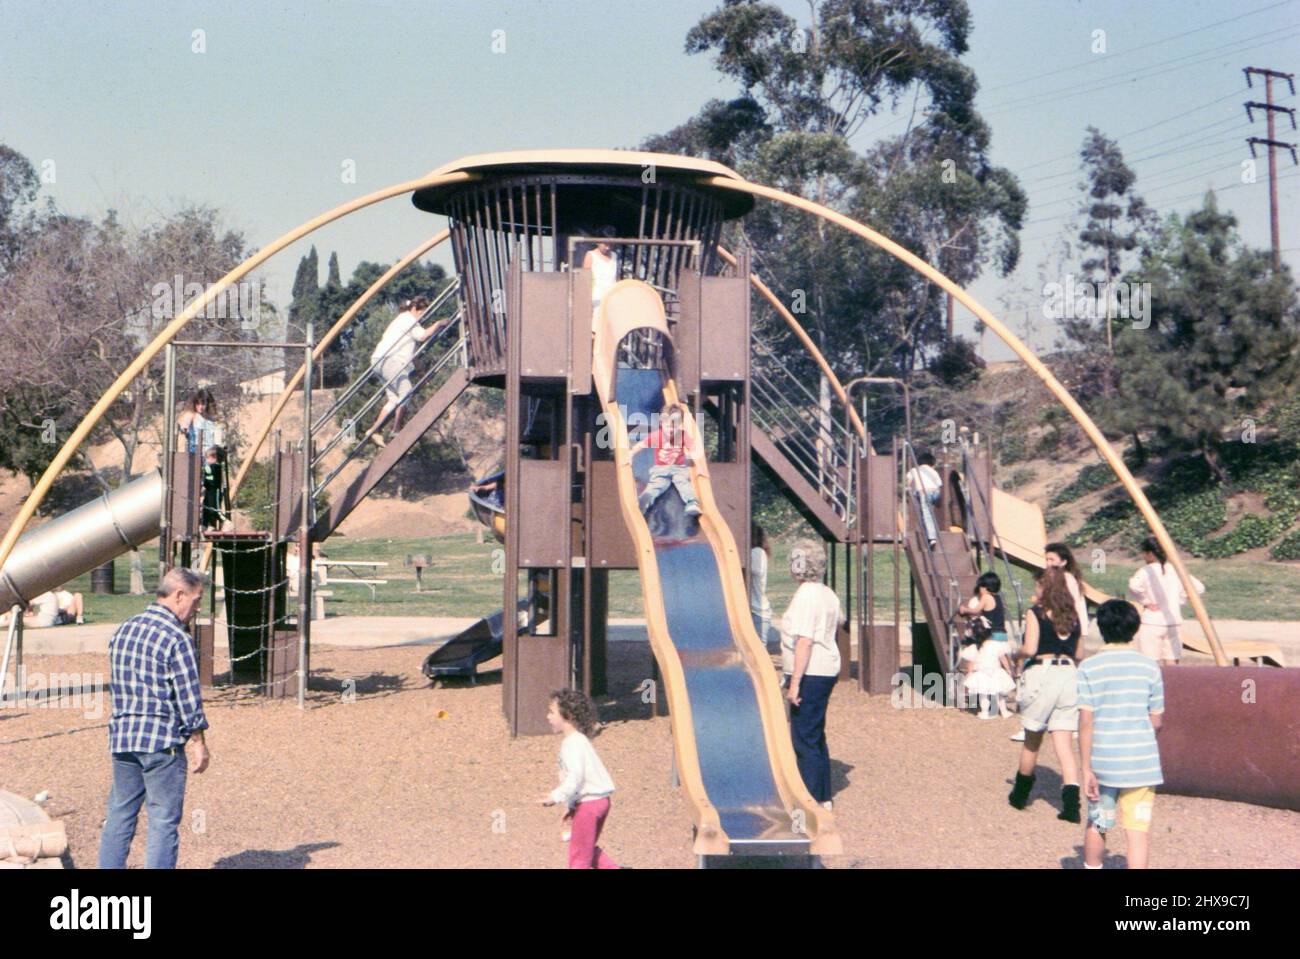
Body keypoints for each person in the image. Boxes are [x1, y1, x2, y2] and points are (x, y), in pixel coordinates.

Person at [98, 568, 211, 869]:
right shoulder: (176, 638)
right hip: (161, 742)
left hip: (123, 737)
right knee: (162, 820)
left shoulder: (124, 629)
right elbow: (188, 697)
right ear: (178, 595)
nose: (197, 609)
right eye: (196, 600)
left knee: (120, 814)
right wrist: (199, 741)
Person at [1077, 599, 1165, 869]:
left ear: (1100, 628)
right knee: (1137, 832)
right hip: (1141, 762)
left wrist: (1085, 767)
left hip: (1103, 762)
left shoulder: (1088, 668)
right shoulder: (1150, 667)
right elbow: (1157, 720)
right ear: (1135, 628)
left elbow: (1085, 722)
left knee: (1099, 823)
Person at [1007, 568, 1083, 823]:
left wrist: (1013, 655)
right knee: (1064, 744)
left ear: (1045, 588)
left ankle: (1020, 794)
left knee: (1032, 738)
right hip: (1069, 674)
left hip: (1043, 672)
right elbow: (1079, 654)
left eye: (1038, 586)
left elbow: (1030, 648)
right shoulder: (1073, 616)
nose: (1035, 591)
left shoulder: (1036, 613)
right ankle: (1071, 805)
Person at [778, 539, 844, 809]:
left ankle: (810, 800)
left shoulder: (806, 595)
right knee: (815, 732)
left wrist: (794, 684)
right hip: (826, 667)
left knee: (803, 737)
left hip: (811, 670)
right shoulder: (827, 593)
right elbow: (838, 624)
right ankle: (823, 795)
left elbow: (804, 641)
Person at [538, 689, 619, 869]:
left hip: (589, 805)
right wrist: (570, 806)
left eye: (552, 712)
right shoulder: (580, 740)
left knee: (579, 859)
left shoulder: (572, 744)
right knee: (587, 850)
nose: (548, 716)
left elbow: (575, 777)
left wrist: (556, 796)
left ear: (567, 715)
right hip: (600, 801)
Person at [366, 295, 439, 447]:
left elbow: (413, 356)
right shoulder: (408, 320)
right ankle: (397, 430)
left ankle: (374, 430)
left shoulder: (402, 321)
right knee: (406, 390)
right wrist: (439, 323)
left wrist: (422, 373)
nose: (422, 316)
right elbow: (423, 336)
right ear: (414, 309)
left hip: (380, 360)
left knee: (394, 399)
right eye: (421, 312)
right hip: (390, 360)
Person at [1127, 536, 1205, 666]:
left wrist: (1146, 601)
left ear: (1150, 553)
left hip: (1152, 622)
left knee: (1150, 662)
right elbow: (1198, 588)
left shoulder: (1147, 570)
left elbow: (1133, 586)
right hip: (1174, 621)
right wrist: (1179, 599)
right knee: (1172, 661)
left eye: (1144, 553)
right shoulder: (1176, 569)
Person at [630, 403, 702, 518]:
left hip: (679, 468)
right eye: (668, 426)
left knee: (683, 483)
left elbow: (694, 449)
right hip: (661, 469)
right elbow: (641, 445)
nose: (671, 429)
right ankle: (643, 501)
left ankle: (691, 502)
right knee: (656, 486)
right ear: (662, 423)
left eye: (675, 426)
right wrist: (631, 454)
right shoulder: (656, 436)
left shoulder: (683, 435)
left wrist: (696, 461)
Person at [958, 616, 1015, 719]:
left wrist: (970, 673)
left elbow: (971, 662)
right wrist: (1008, 669)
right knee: (999, 693)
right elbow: (1002, 658)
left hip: (982, 673)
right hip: (996, 671)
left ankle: (985, 712)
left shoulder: (975, 647)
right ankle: (1004, 711)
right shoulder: (996, 644)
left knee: (983, 694)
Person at [1045, 542, 1090, 639]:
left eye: (1052, 560)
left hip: (1065, 626)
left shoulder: (1068, 579)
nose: (1048, 563)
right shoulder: (1048, 578)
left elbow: (1078, 604)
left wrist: (1082, 631)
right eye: (1047, 559)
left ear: (1063, 562)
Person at [905, 450, 943, 546]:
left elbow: (908, 481)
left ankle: (932, 537)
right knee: (930, 512)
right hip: (935, 492)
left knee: (926, 514)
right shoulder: (933, 471)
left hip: (924, 492)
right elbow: (939, 484)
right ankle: (935, 529)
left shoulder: (914, 470)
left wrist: (909, 490)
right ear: (931, 463)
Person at [3, 588, 85, 628]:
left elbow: (29, 603)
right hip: (49, 618)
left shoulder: (62, 595)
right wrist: (30, 612)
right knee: (15, 618)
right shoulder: (51, 595)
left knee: (13, 618)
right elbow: (31, 605)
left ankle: (79, 617)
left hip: (59, 616)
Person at [583, 226, 619, 313]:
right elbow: (584, 280)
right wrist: (587, 302)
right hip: (595, 299)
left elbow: (616, 278)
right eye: (605, 244)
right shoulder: (591, 255)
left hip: (611, 299)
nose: (607, 247)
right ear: (597, 241)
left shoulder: (614, 256)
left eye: (610, 244)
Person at [749, 523, 774, 649]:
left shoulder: (757, 552)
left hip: (758, 612)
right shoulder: (756, 552)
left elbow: (752, 570)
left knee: (758, 653)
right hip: (756, 611)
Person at [177, 388, 220, 455]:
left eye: (203, 404)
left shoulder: (212, 419)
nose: (200, 407)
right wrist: (184, 429)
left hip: (210, 455)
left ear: (208, 403)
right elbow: (183, 425)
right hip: (195, 453)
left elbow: (217, 438)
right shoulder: (191, 414)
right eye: (198, 404)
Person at [200, 447, 228, 532]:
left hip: (215, 492)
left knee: (214, 510)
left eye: (207, 458)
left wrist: (201, 467)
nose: (207, 460)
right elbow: (207, 479)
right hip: (209, 492)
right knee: (206, 509)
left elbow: (208, 471)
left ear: (214, 458)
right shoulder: (210, 467)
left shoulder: (216, 467)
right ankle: (205, 526)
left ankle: (226, 522)